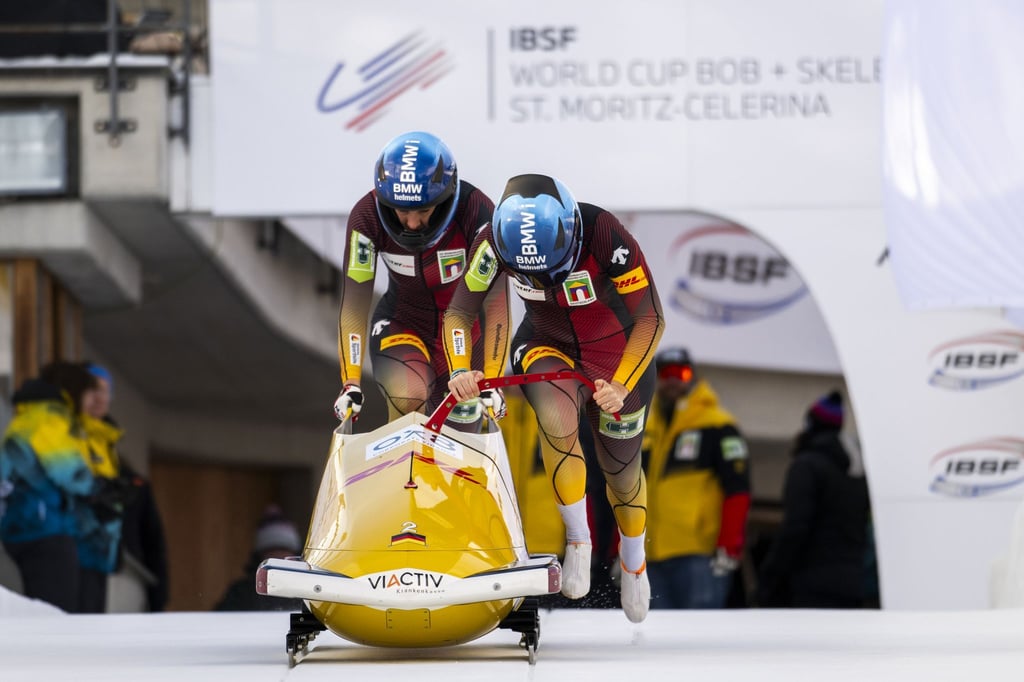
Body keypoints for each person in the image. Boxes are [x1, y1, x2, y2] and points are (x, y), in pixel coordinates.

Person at [444, 173, 665, 622]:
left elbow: (651, 319)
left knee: (621, 474)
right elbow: (458, 314)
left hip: (619, 355)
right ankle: (577, 539)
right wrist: (461, 369)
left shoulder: (605, 234)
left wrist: (621, 383)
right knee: (555, 416)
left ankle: (634, 561)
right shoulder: (492, 243)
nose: (539, 278)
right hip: (547, 343)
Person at [332, 131, 510, 428]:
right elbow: (354, 305)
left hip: (466, 333)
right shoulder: (366, 217)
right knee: (408, 396)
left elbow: (496, 303)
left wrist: (493, 377)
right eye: (402, 211)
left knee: (461, 428)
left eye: (424, 211)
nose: (413, 224)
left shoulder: (478, 213)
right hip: (401, 324)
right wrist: (350, 382)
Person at [641, 348, 751, 609]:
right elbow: (626, 493)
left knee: (699, 637)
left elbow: (738, 489)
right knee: (656, 640)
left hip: (698, 554)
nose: (672, 380)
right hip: (649, 556)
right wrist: (622, 548)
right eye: (664, 374)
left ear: (693, 377)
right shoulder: (645, 426)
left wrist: (729, 544)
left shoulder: (717, 425)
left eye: (681, 372)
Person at [756, 390, 871, 608]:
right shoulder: (855, 471)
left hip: (813, 583)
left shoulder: (807, 466)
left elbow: (796, 527)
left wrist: (770, 575)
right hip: (851, 583)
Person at [0, 363, 96, 612]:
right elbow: (70, 472)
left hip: (23, 527)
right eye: (89, 394)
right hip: (43, 530)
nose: (92, 402)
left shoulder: (25, 418)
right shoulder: (49, 419)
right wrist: (97, 485)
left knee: (42, 615)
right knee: (57, 618)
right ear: (72, 391)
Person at [81, 363, 169, 612]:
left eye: (105, 391)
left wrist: (158, 594)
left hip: (124, 573)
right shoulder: (65, 446)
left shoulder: (130, 479)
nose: (99, 398)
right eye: (91, 390)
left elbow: (152, 540)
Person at [214, 505, 305, 612]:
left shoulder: (308, 590)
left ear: (295, 554)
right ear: (260, 556)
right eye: (272, 551)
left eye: (284, 550)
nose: (279, 556)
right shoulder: (241, 593)